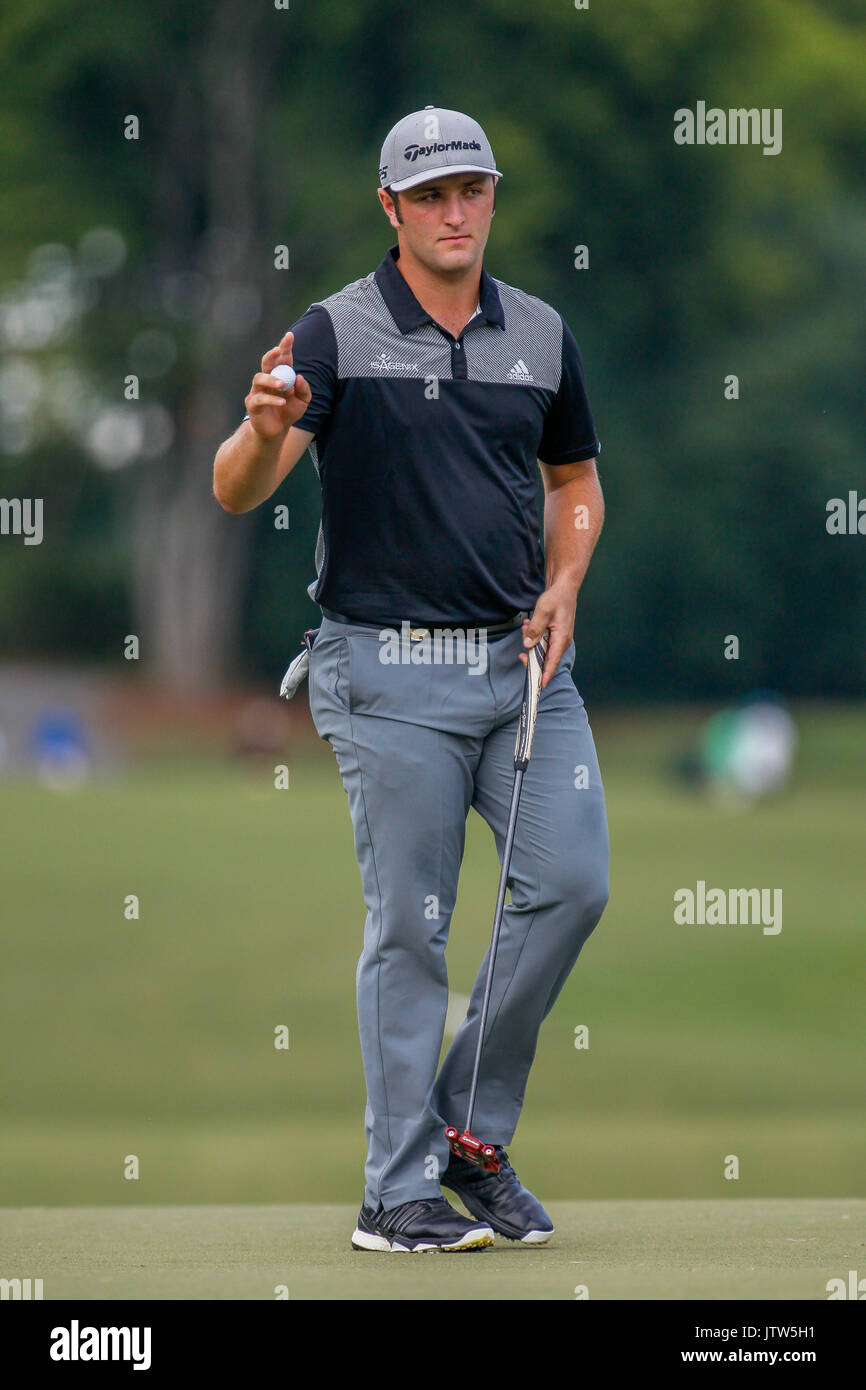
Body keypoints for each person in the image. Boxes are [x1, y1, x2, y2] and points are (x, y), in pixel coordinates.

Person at [213, 106, 610, 1253]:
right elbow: (240, 487)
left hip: (525, 665)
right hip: (385, 669)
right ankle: (395, 1195)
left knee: (570, 884)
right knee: (412, 928)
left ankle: (467, 1138)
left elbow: (575, 480)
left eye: (470, 190)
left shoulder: (537, 331)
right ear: (389, 208)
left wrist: (566, 575)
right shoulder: (333, 334)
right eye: (429, 194)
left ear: (490, 198)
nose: (453, 212)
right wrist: (254, 427)